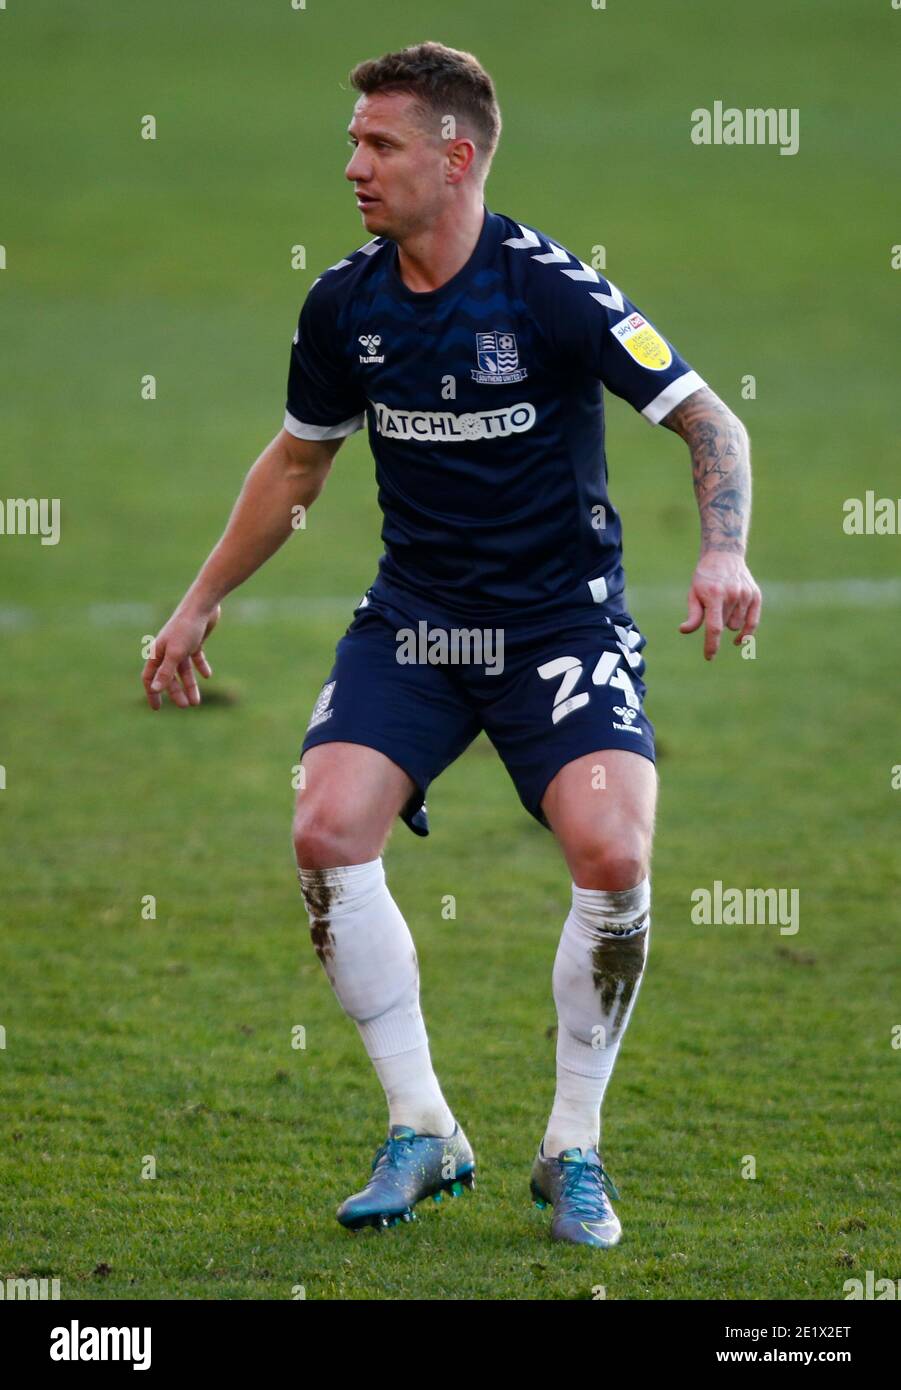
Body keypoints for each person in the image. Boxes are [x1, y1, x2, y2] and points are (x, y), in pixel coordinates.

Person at [142, 42, 761, 1247]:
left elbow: (705, 415)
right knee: (325, 825)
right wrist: (198, 597)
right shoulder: (345, 303)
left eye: (379, 145)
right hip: (416, 622)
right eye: (354, 142)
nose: (353, 167)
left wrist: (722, 548)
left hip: (559, 624)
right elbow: (299, 462)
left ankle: (571, 1149)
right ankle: (422, 1126)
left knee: (613, 854)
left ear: (454, 155)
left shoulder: (551, 291)